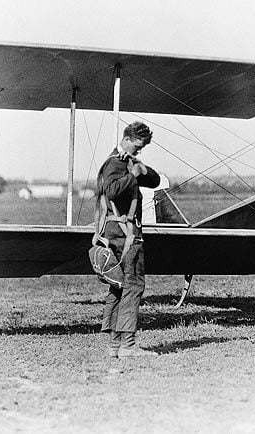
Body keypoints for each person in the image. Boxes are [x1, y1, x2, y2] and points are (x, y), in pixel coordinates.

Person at [96, 121, 160, 358]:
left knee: (120, 287)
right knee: (134, 285)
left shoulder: (125, 162)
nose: (139, 151)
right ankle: (128, 346)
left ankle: (115, 346)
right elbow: (111, 191)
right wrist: (132, 174)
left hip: (118, 233)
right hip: (125, 234)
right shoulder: (115, 163)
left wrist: (137, 165)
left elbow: (154, 180)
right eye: (137, 147)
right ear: (126, 139)